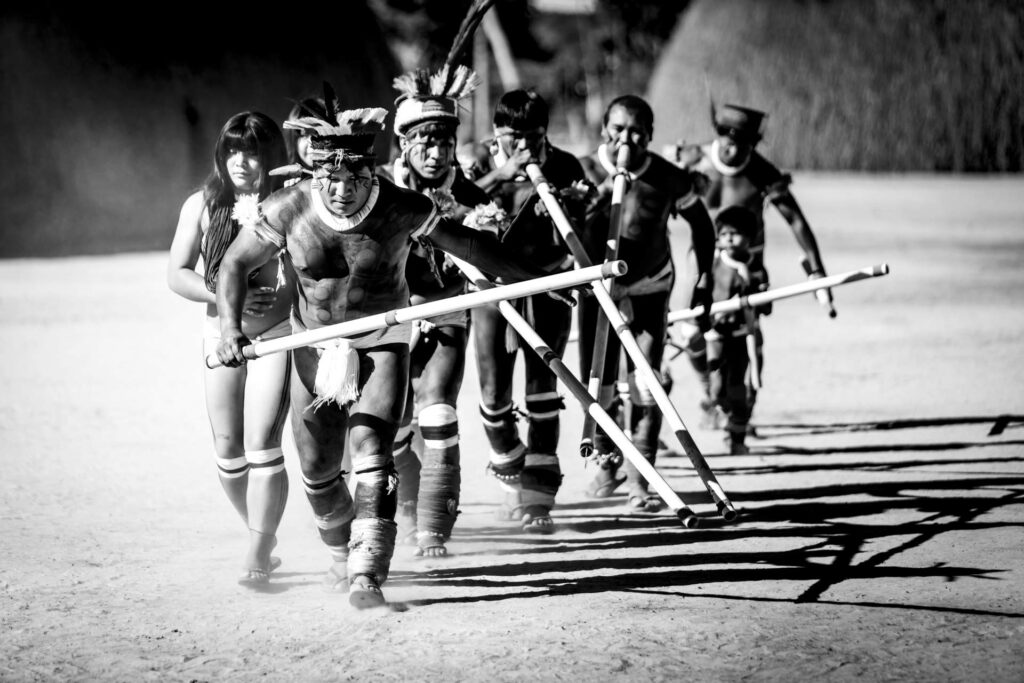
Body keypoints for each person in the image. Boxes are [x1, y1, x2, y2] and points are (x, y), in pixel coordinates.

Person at [214, 93, 552, 608]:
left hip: (383, 342)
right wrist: (229, 330)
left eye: (356, 177)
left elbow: (469, 245)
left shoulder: (401, 207)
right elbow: (234, 264)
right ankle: (342, 551)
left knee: (372, 451)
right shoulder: (288, 208)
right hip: (313, 347)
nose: (343, 189)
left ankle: (367, 573)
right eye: (330, 177)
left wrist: (535, 279)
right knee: (318, 471)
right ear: (314, 172)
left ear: (372, 171)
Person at [167, 111, 291, 588]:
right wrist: (224, 293)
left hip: (279, 334)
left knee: (262, 443)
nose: (240, 161)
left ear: (271, 156)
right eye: (232, 150)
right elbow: (177, 274)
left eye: (253, 152)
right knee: (227, 447)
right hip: (220, 334)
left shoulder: (289, 201)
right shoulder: (200, 204)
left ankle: (258, 549)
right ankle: (260, 531)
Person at [577, 94, 716, 512]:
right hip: (597, 287)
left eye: (637, 132)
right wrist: (596, 198)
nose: (626, 139)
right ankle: (608, 460)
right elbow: (564, 229)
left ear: (651, 135)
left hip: (651, 284)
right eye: (617, 129)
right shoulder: (585, 171)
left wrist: (704, 280)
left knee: (646, 379)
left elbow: (702, 226)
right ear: (604, 129)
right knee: (596, 380)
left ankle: (641, 480)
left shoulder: (669, 177)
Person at [379, 64, 492, 558]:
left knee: (438, 411)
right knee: (395, 425)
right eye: (425, 142)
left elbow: (490, 256)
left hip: (447, 313)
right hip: (389, 321)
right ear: (404, 144)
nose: (436, 153)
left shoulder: (472, 199)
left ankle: (433, 527)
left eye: (445, 143)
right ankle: (407, 506)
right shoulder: (379, 192)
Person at [470, 89, 589, 534]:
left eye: (533, 137)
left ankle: (539, 499)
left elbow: (579, 234)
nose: (522, 147)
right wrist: (501, 175)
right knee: (493, 396)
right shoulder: (477, 164)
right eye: (511, 137)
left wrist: (562, 209)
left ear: (546, 133)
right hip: (492, 294)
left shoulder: (566, 166)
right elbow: (453, 207)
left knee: (542, 394)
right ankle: (511, 471)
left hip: (548, 290)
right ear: (495, 132)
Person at [671, 103, 831, 428]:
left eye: (743, 144)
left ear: (754, 144)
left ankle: (740, 407)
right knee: (691, 334)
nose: (733, 150)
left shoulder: (762, 172)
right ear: (718, 134)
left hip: (745, 268)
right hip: (701, 260)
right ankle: (711, 393)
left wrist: (817, 271)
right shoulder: (694, 160)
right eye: (728, 141)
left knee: (744, 337)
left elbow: (796, 220)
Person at [703, 206, 769, 454]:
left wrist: (755, 291)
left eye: (736, 233)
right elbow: (701, 296)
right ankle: (722, 410)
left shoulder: (757, 268)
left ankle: (737, 436)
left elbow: (767, 308)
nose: (729, 238)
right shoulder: (713, 265)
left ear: (750, 237)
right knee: (717, 388)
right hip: (717, 336)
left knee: (738, 386)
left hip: (744, 336)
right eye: (724, 234)